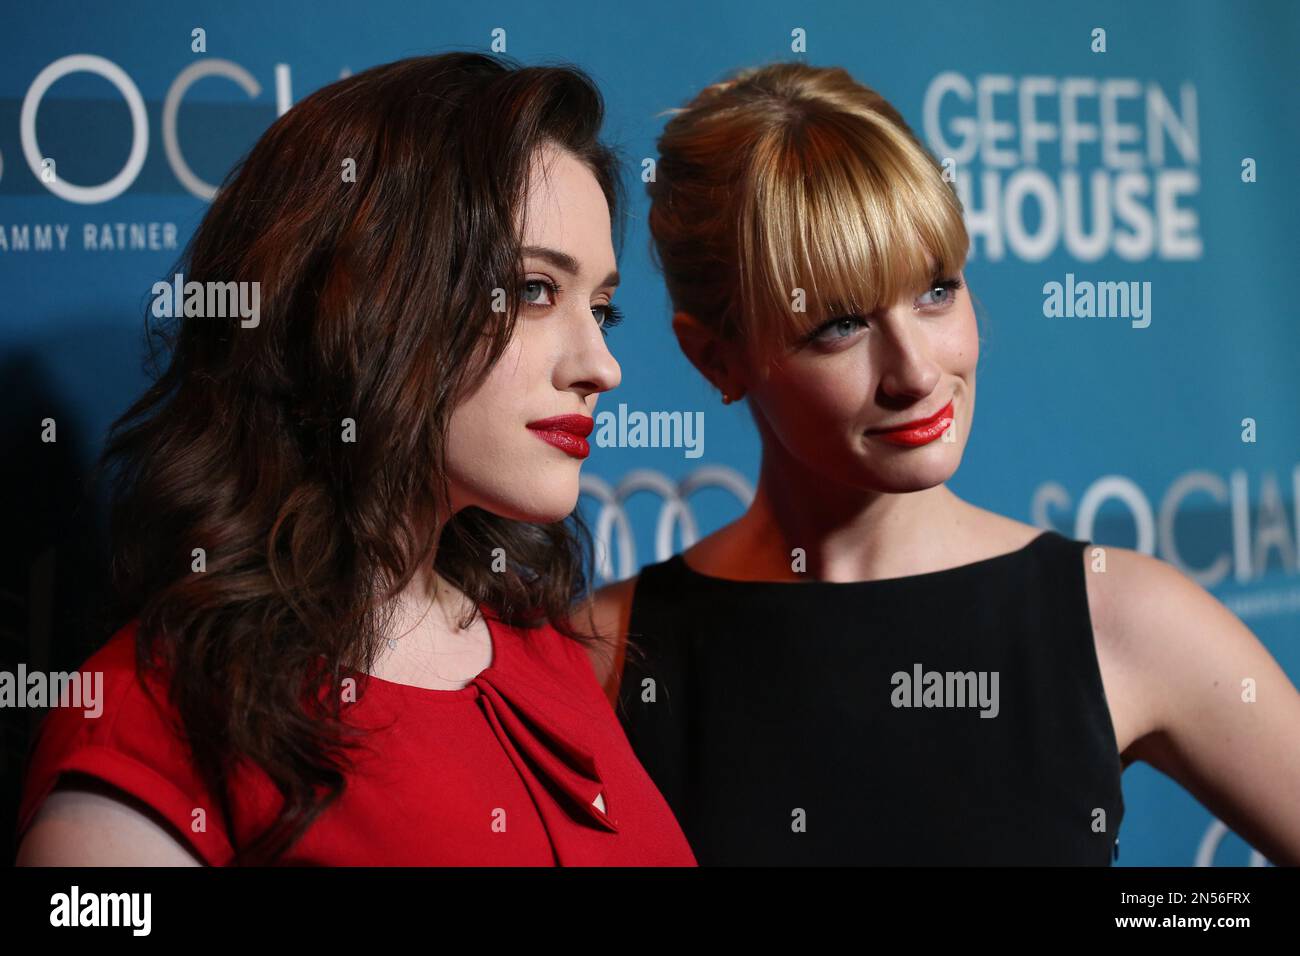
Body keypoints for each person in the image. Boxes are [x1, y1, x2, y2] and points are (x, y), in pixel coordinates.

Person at [586, 62, 1300, 865]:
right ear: (716, 358)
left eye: (935, 291)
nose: (919, 373)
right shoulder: (609, 653)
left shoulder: (1120, 619)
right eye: (841, 325)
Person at [16, 52, 695, 867]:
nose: (601, 366)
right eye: (532, 291)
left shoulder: (546, 656)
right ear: (363, 298)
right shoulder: (157, 724)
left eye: (603, 310)